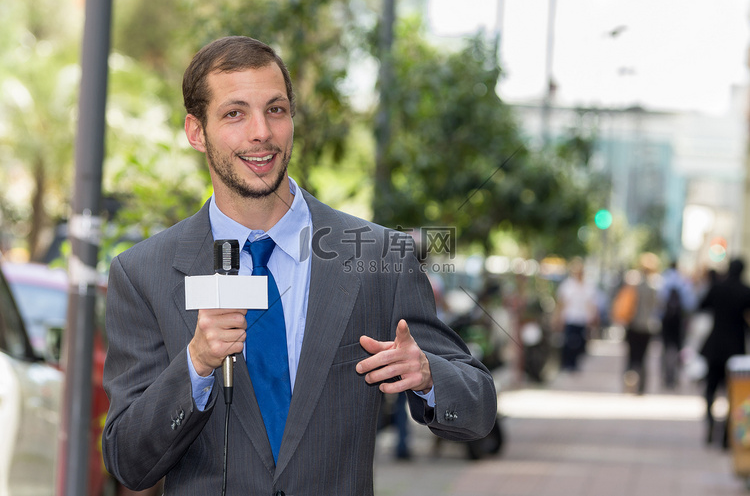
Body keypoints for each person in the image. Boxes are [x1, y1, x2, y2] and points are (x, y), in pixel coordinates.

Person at [101, 36, 497, 495]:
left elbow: (480, 409)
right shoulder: (143, 274)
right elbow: (128, 462)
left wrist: (429, 374)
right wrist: (195, 365)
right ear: (196, 131)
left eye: (276, 109)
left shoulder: (377, 255)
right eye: (234, 114)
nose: (261, 133)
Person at [699, 258, 750, 446]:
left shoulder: (717, 288)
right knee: (733, 394)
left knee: (710, 389)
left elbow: (701, 305)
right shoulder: (745, 291)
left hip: (715, 346)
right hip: (736, 350)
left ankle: (711, 423)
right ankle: (727, 437)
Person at [618, 252, 661, 395]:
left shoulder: (634, 283)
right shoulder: (655, 286)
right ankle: (641, 388)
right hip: (648, 326)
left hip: (634, 324)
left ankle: (628, 385)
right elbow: (658, 306)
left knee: (631, 357)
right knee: (643, 358)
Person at [553, 257, 597, 372]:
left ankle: (575, 364)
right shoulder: (567, 285)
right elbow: (561, 303)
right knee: (568, 342)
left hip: (582, 319)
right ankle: (567, 364)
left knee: (580, 343)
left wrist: (592, 318)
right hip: (570, 318)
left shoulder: (588, 286)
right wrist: (558, 318)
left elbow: (591, 303)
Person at [657, 260, 696, 389]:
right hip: (678, 320)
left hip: (666, 319)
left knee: (666, 346)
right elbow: (690, 303)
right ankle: (675, 375)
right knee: (678, 346)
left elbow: (658, 301)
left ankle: (666, 374)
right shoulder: (682, 280)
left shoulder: (663, 279)